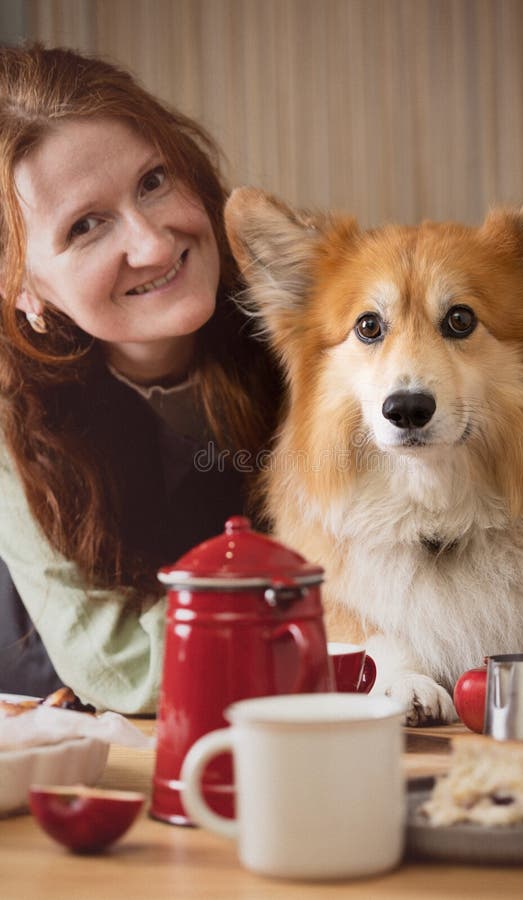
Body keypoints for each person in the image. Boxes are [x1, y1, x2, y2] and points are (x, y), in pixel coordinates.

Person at [0, 43, 282, 713]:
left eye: (154, 181)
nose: (154, 244)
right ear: (22, 289)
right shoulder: (11, 415)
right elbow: (118, 659)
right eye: (86, 226)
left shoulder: (312, 318)